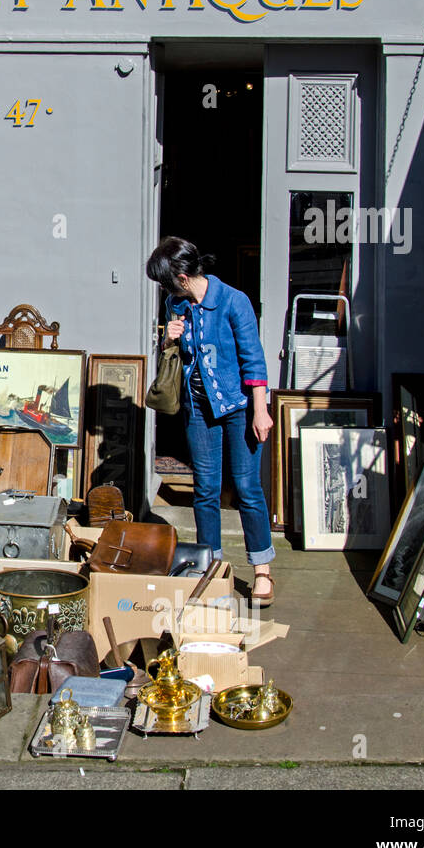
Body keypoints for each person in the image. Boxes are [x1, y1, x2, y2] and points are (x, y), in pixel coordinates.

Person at [147, 236, 276, 606]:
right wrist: (169, 341)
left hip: (239, 407)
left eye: (166, 282)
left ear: (183, 277)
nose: (164, 290)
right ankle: (211, 566)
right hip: (198, 409)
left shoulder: (234, 302)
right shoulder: (177, 305)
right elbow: (178, 360)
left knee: (247, 488)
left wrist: (262, 409)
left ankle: (262, 569)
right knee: (205, 488)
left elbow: (254, 360)